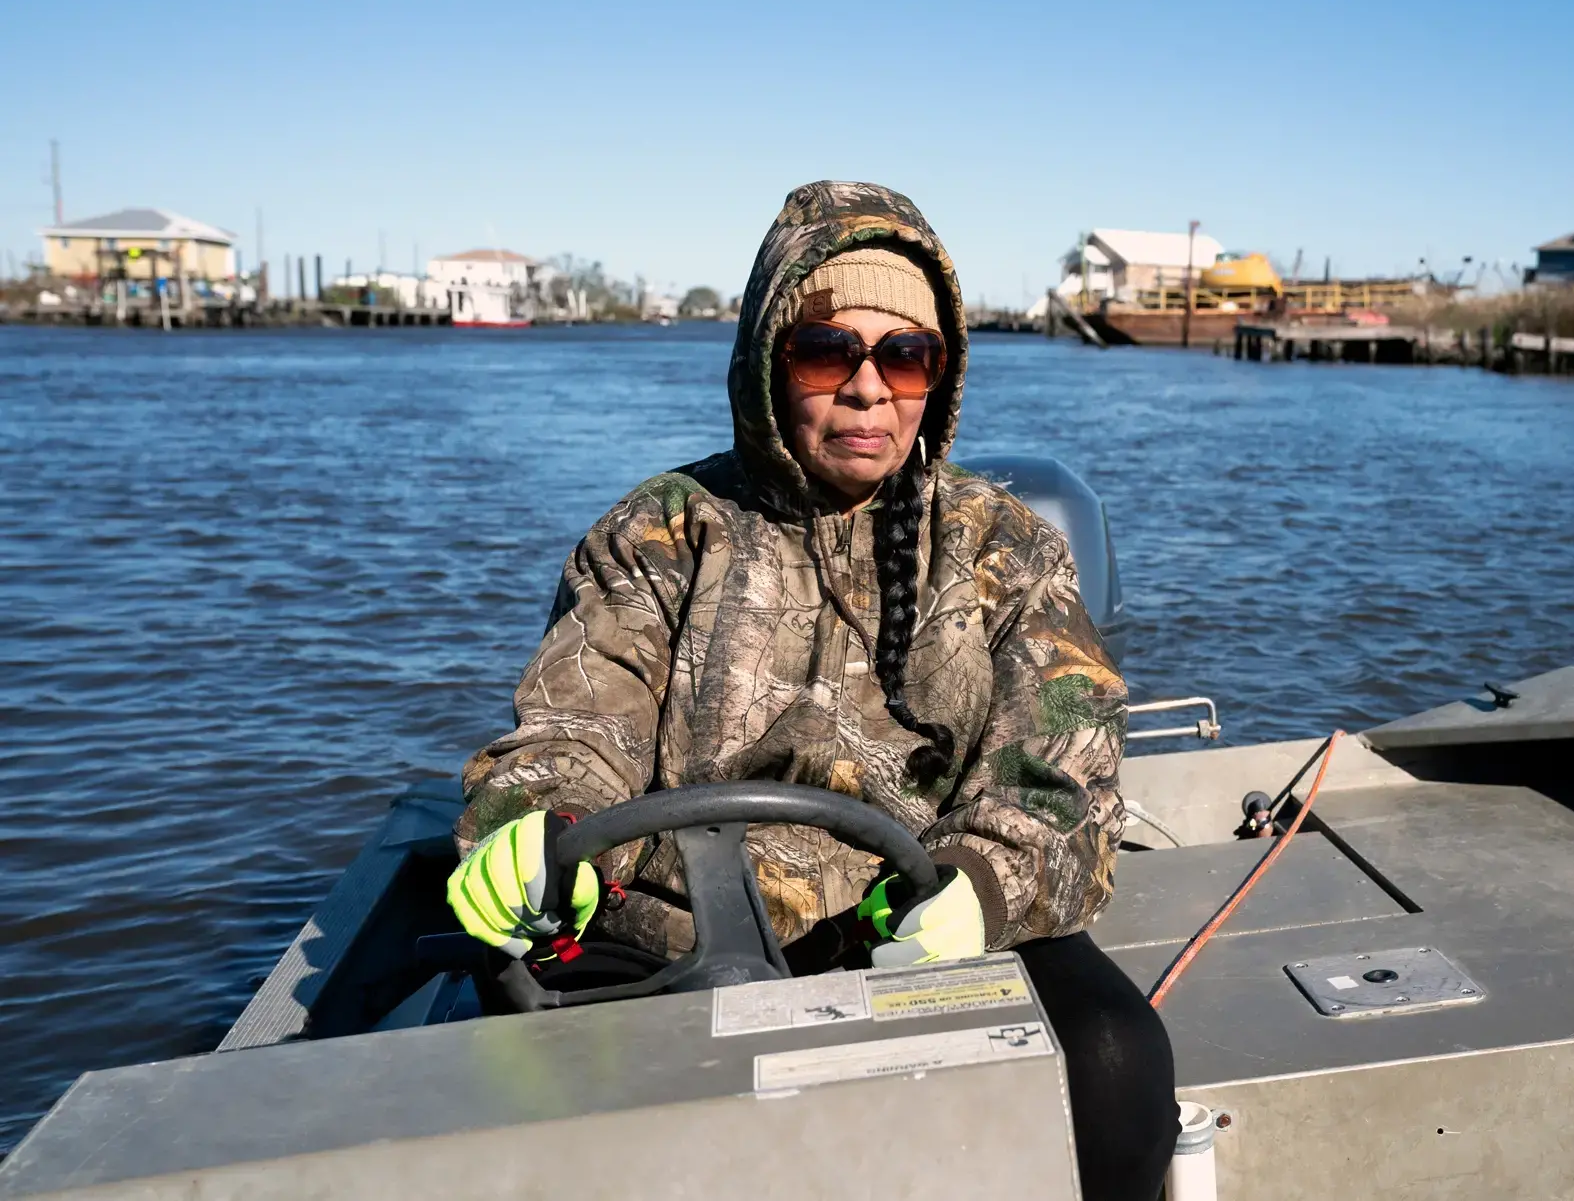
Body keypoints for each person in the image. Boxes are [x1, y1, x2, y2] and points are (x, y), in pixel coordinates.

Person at [445, 181, 1177, 1200]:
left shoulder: (1004, 545)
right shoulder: (659, 531)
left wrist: (978, 887)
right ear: (767, 359)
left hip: (919, 923)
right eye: (828, 349)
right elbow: (576, 721)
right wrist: (534, 819)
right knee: (499, 1094)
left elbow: (1065, 779)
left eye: (906, 355)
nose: (868, 388)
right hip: (670, 939)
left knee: (1113, 1056)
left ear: (940, 374)